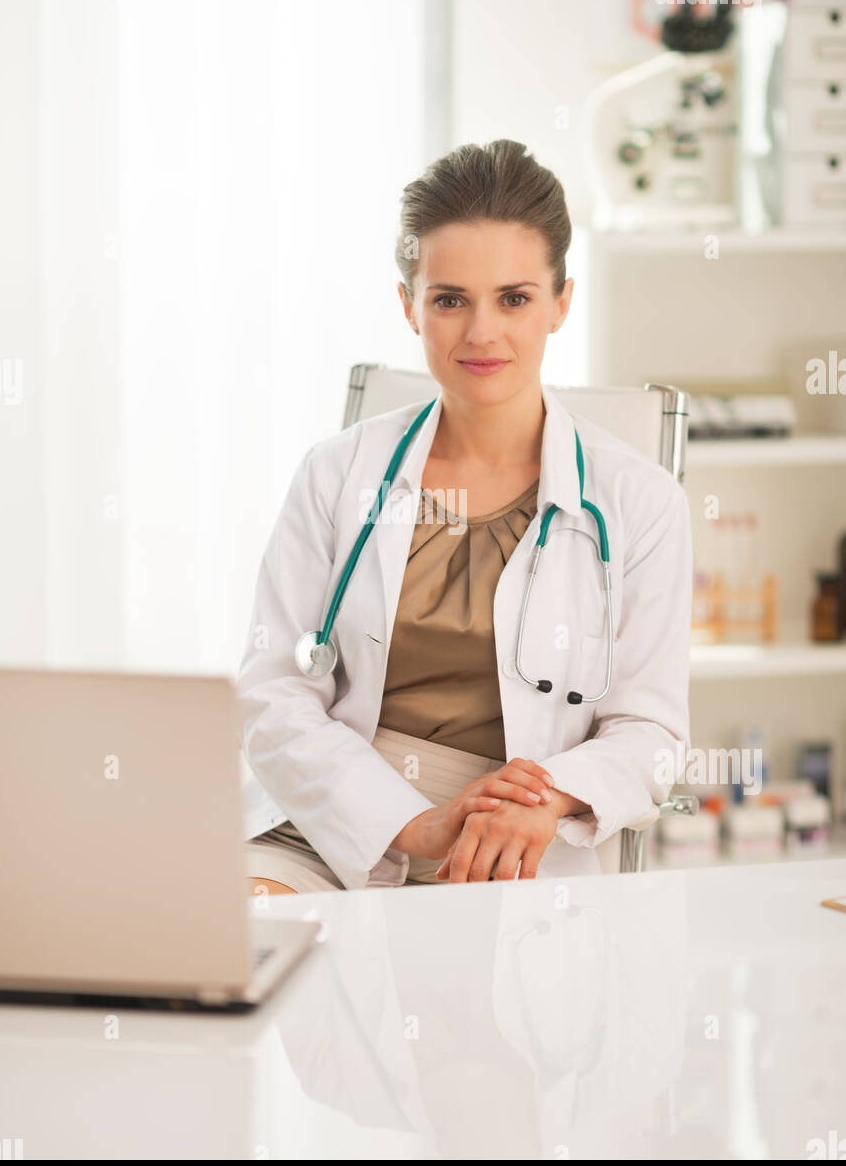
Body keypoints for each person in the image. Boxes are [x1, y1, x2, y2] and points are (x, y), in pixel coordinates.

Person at [237, 138, 693, 895]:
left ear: (560, 303)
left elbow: (649, 735)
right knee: (250, 958)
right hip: (332, 819)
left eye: (513, 298)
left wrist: (543, 800)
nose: (481, 333)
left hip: (514, 838)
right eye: (449, 299)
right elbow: (273, 692)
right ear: (408, 304)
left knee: (475, 1001)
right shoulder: (335, 473)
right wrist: (407, 824)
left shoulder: (637, 503)